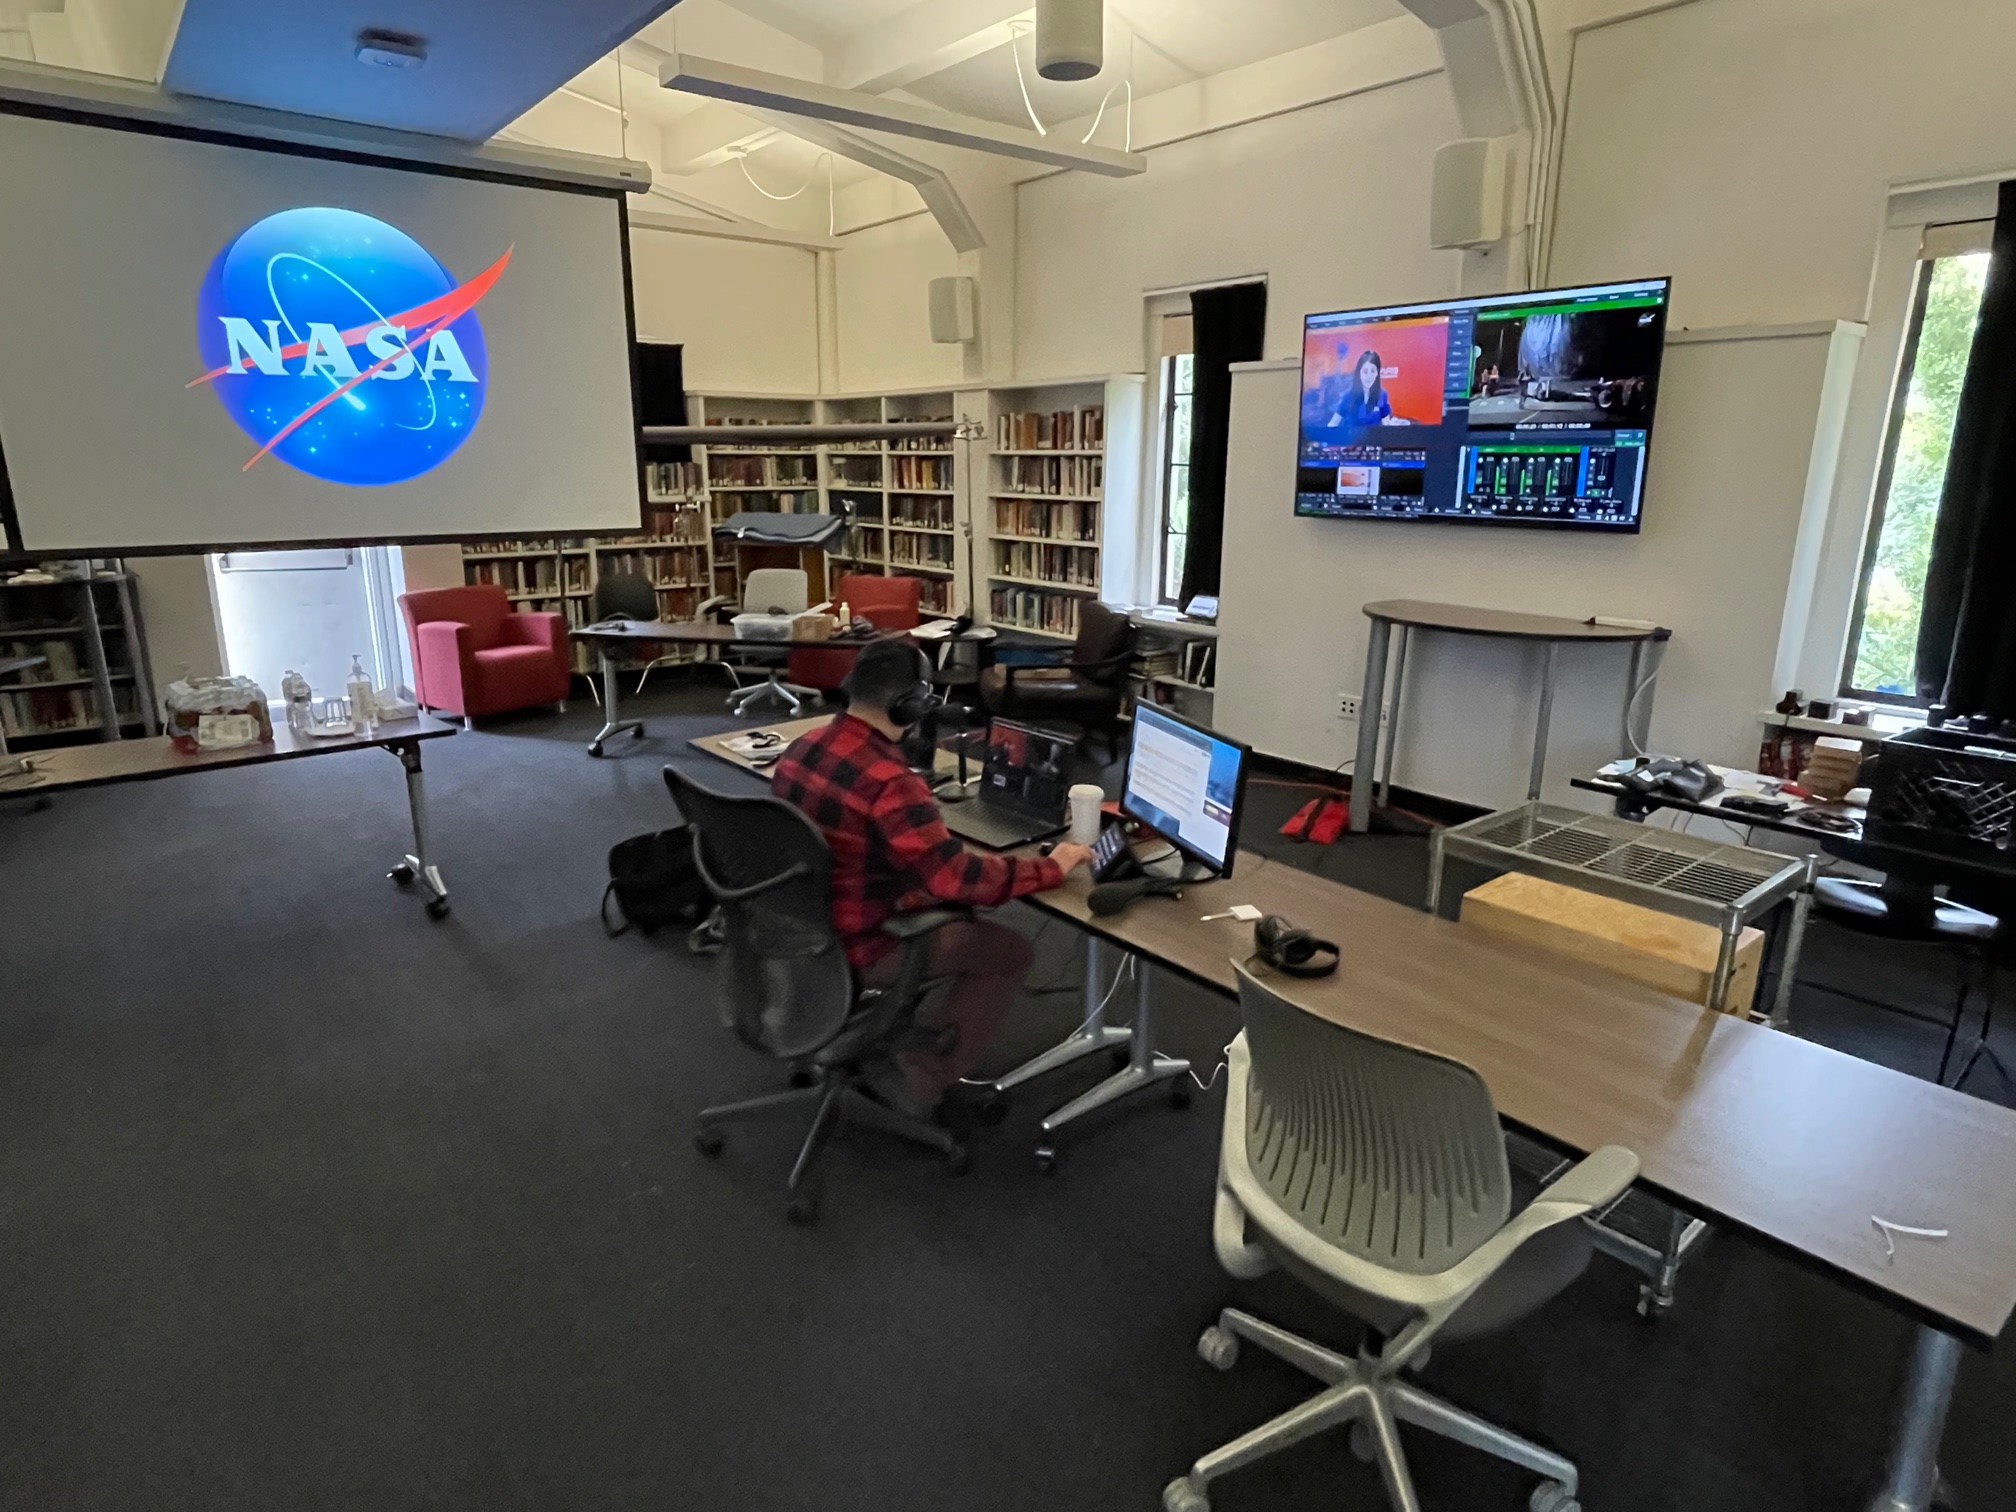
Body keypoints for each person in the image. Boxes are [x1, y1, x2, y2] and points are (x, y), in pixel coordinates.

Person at [771, 639, 1093, 1114]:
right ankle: (922, 1079)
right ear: (912, 705)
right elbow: (952, 878)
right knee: (1009, 951)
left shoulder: (803, 747)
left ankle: (883, 1037)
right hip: (863, 942)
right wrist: (1053, 866)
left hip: (801, 925)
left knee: (950, 908)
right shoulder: (890, 779)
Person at [1329, 349, 1394, 428]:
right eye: (1365, 371)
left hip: (1375, 439)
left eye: (1373, 371)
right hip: (1353, 439)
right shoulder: (1349, 396)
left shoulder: (1382, 395)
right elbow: (1332, 424)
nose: (1369, 376)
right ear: (1359, 373)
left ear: (1377, 373)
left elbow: (1387, 426)